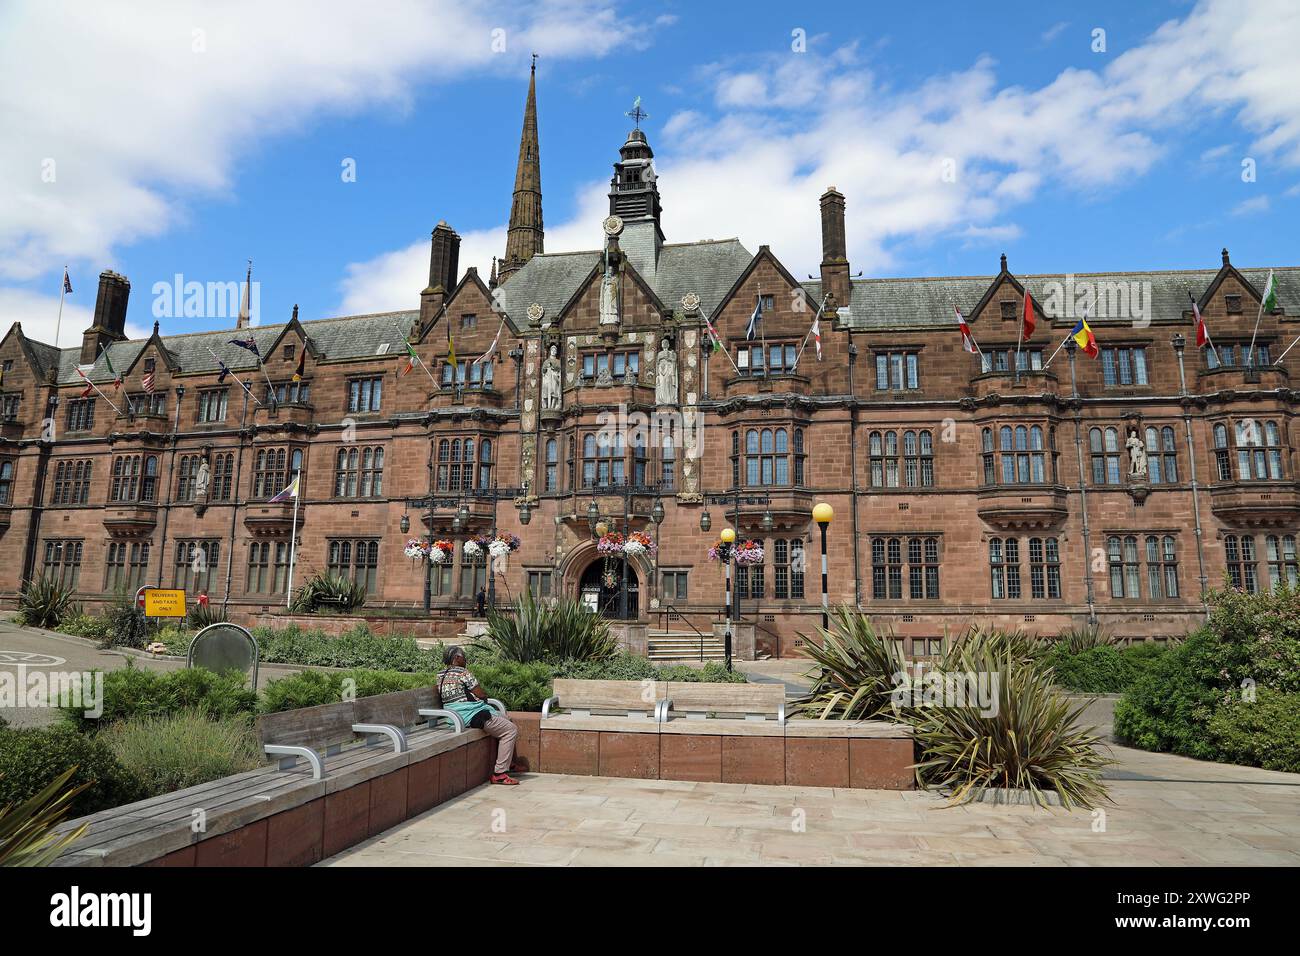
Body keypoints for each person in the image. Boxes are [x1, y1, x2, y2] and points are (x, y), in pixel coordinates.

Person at [438, 645, 522, 785]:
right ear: (457, 658)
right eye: (464, 657)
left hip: (454, 716)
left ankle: (509, 762)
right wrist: (483, 699)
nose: (466, 660)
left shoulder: (441, 675)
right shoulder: (463, 673)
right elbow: (480, 694)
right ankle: (500, 774)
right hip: (472, 715)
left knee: (506, 720)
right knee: (510, 729)